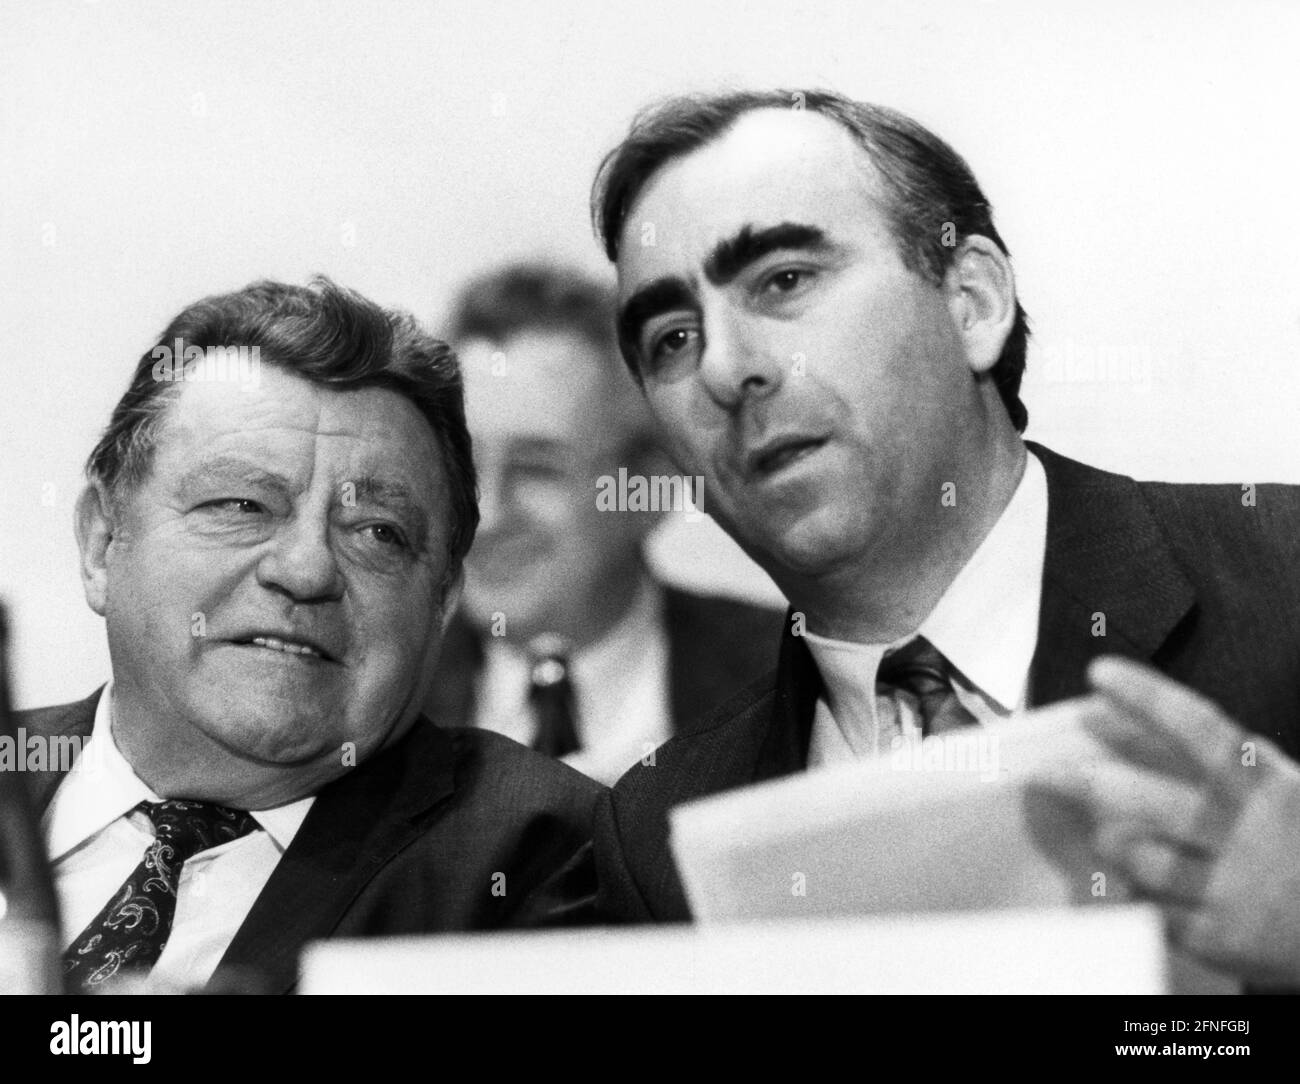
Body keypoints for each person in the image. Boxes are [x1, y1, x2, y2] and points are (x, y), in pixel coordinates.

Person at [587, 89, 1300, 987]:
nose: (727, 367)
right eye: (672, 337)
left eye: (784, 281)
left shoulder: (1285, 574)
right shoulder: (656, 835)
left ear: (973, 302)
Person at [14, 277, 601, 994]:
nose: (306, 569)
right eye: (242, 504)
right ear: (103, 543)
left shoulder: (540, 856)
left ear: (445, 599)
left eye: (378, 534)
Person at [423, 263, 782, 785]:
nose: (487, 515)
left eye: (536, 468)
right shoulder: (375, 697)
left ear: (647, 489)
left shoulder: (785, 683)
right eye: (461, 465)